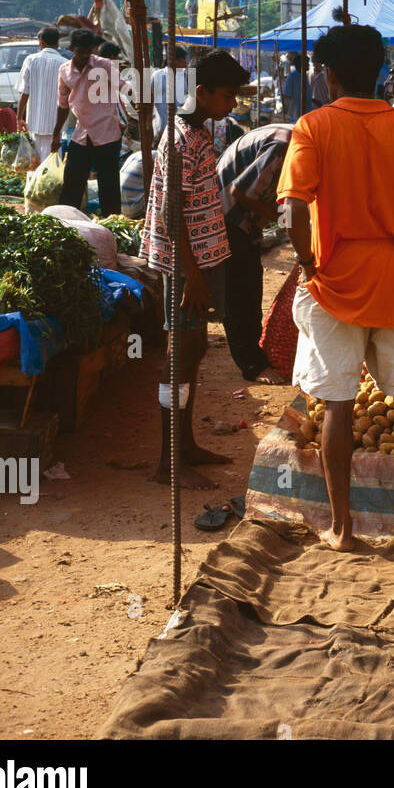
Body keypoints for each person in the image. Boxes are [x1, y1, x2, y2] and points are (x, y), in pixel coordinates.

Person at [278, 23, 394, 552]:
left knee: (337, 405)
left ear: (328, 76)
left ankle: (342, 528)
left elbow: (295, 214)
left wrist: (308, 264)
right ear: (381, 73)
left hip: (336, 285)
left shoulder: (312, 126)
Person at [143, 50, 253, 490]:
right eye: (227, 97)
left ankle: (184, 445)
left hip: (203, 260)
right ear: (202, 92)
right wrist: (191, 274)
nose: (232, 105)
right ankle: (169, 460)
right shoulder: (181, 139)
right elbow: (173, 214)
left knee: (195, 351)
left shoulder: (199, 134)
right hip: (187, 264)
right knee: (181, 356)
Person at [217, 122, 294, 384]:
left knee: (252, 284)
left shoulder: (300, 148)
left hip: (246, 221)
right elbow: (239, 192)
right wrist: (284, 220)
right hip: (226, 214)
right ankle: (250, 363)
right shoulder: (284, 146)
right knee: (238, 290)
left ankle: (254, 352)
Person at [52, 30, 127, 215]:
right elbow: (62, 105)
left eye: (88, 52)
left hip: (107, 132)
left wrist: (139, 99)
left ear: (93, 49)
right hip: (82, 133)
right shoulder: (64, 70)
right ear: (71, 49)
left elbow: (124, 86)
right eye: (80, 53)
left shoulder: (105, 65)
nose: (85, 57)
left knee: (108, 183)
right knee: (73, 180)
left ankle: (113, 221)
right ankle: (67, 218)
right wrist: (55, 134)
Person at [16, 28, 67, 163]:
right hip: (56, 126)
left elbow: (24, 92)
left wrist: (19, 117)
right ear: (57, 43)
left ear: (42, 42)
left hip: (34, 123)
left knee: (34, 164)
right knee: (53, 166)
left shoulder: (31, 60)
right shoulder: (64, 63)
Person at [149, 46, 190, 137]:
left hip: (180, 128)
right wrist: (148, 120)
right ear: (175, 60)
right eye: (183, 59)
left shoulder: (186, 77)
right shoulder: (158, 75)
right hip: (160, 125)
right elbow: (150, 98)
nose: (185, 62)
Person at [283, 53, 312, 122]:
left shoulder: (305, 76)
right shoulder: (292, 76)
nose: (308, 65)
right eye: (307, 63)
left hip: (306, 111)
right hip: (296, 112)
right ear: (301, 65)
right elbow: (286, 95)